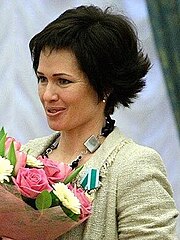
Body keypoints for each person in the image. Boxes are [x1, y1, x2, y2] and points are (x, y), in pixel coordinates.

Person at [21, 5, 178, 240]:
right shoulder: (27, 154)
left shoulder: (135, 167)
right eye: (42, 79)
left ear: (104, 86)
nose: (47, 95)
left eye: (63, 81)